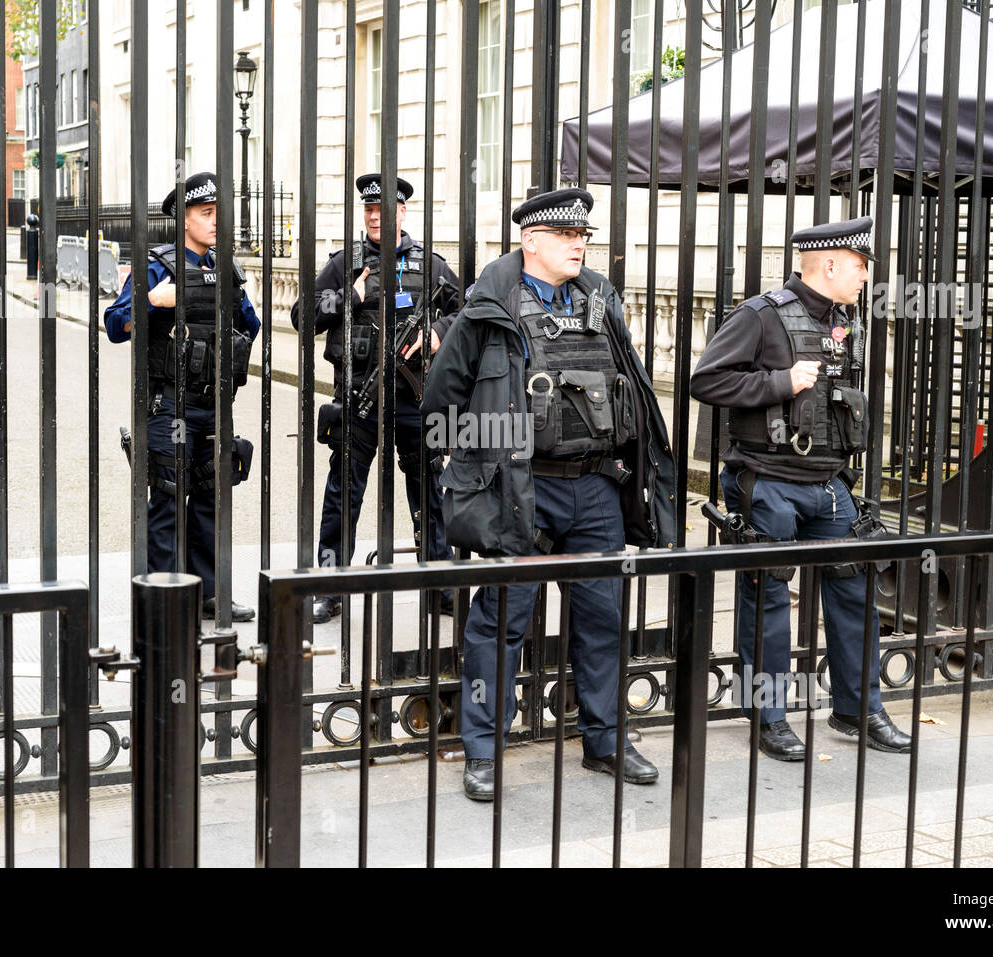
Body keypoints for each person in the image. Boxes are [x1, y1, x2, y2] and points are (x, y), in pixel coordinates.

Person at [422, 188, 678, 801]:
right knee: (502, 620)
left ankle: (607, 739)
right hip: (523, 490)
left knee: (602, 617)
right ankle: (483, 749)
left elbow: (633, 389)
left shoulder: (600, 300)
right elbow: (440, 405)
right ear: (529, 241)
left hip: (596, 488)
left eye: (582, 234)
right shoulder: (488, 309)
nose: (578, 242)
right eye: (565, 234)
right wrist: (480, 473)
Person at [689, 215, 912, 761]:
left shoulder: (845, 320)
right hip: (768, 483)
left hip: (829, 484)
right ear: (830, 263)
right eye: (861, 267)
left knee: (854, 593)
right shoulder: (760, 316)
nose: (865, 278)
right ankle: (768, 716)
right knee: (767, 598)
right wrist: (778, 383)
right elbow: (705, 380)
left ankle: (858, 708)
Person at [292, 173, 462, 624]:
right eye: (368, 209)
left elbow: (467, 314)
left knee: (428, 485)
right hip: (359, 396)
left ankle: (440, 582)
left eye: (383, 209)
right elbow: (301, 315)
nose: (374, 216)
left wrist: (437, 332)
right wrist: (347, 296)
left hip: (415, 397)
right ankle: (329, 587)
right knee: (344, 490)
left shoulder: (432, 266)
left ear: (402, 212)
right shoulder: (344, 263)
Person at [104, 171, 261, 622]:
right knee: (169, 499)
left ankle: (209, 593)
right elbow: (115, 325)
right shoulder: (156, 264)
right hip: (168, 404)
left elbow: (249, 324)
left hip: (214, 405)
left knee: (213, 495)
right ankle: (164, 601)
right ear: (183, 219)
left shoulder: (225, 267)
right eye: (207, 214)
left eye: (219, 214)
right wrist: (153, 299)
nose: (216, 223)